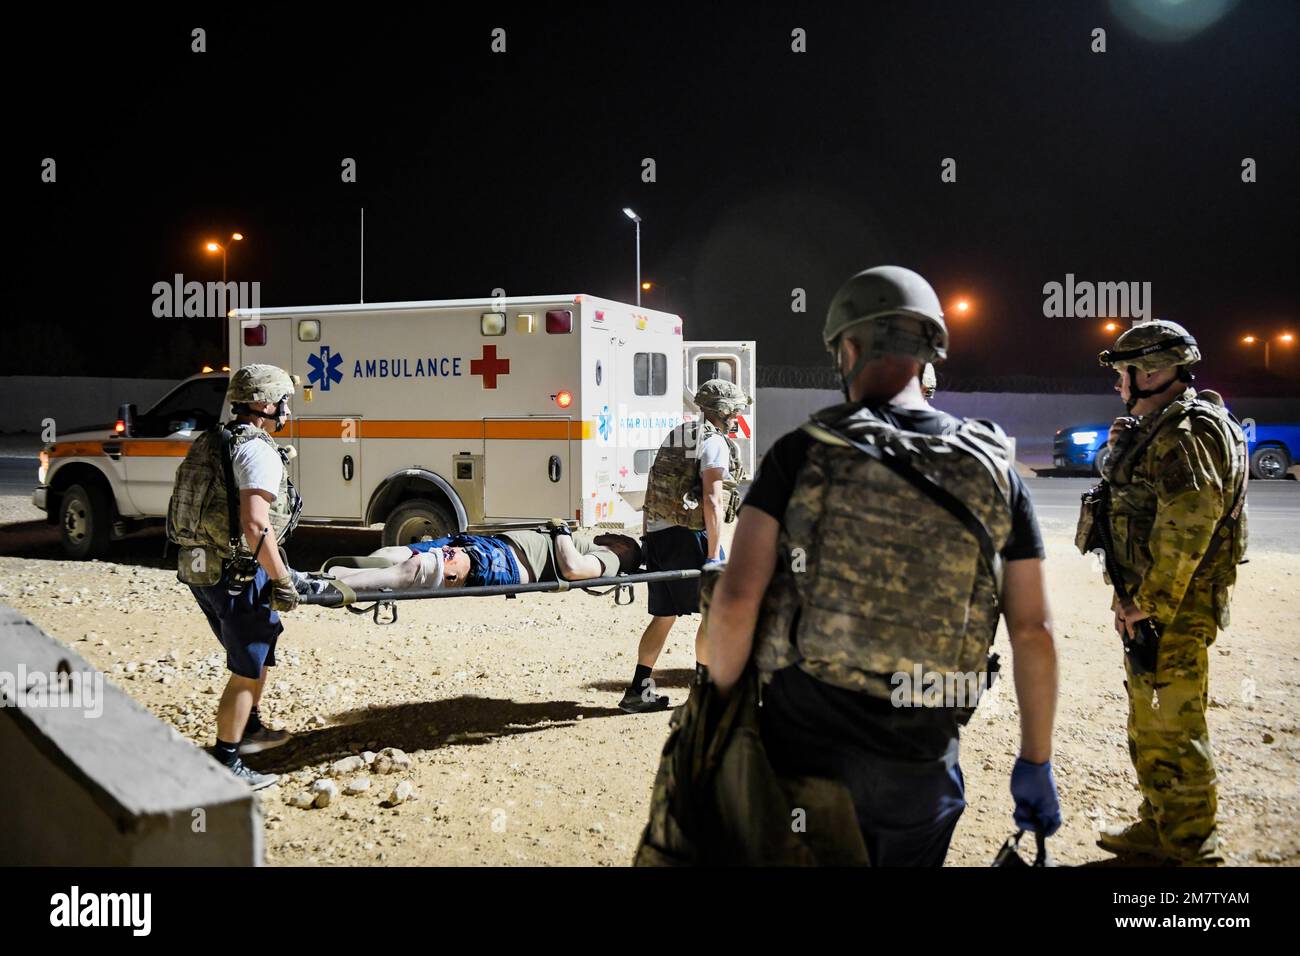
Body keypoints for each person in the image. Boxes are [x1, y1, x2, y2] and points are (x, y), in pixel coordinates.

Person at [704, 266, 1060, 865]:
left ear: (848, 348)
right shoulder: (992, 469)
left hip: (804, 755)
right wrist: (1035, 761)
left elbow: (736, 601)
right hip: (920, 768)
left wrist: (718, 715)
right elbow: (1033, 630)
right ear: (931, 351)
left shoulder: (802, 453)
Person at [1089, 320, 1247, 866]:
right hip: (1158, 602)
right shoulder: (1162, 426)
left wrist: (1147, 603)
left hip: (1173, 607)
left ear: (1153, 373)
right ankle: (1164, 825)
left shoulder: (1186, 434)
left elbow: (1189, 522)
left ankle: (1196, 847)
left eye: (1124, 374)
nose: (1119, 385)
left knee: (1174, 724)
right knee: (1152, 719)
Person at [167, 364, 305, 790]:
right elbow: (254, 525)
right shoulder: (257, 451)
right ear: (265, 403)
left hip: (202, 569)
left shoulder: (212, 440)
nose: (286, 409)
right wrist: (281, 579)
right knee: (247, 665)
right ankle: (227, 763)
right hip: (237, 573)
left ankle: (249, 729)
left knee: (258, 649)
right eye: (283, 400)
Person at [619, 380, 749, 714]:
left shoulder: (678, 434)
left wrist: (650, 538)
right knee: (713, 613)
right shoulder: (714, 443)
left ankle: (638, 690)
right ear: (721, 412)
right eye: (735, 409)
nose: (738, 416)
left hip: (661, 534)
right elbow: (712, 499)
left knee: (665, 614)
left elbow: (655, 488)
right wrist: (713, 555)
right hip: (689, 538)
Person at [317, 527, 642, 591]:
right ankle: (325, 576)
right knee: (393, 554)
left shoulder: (610, 558)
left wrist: (560, 531)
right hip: (487, 546)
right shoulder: (605, 546)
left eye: (620, 538)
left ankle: (334, 588)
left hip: (505, 562)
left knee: (418, 567)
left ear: (625, 548)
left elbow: (572, 569)